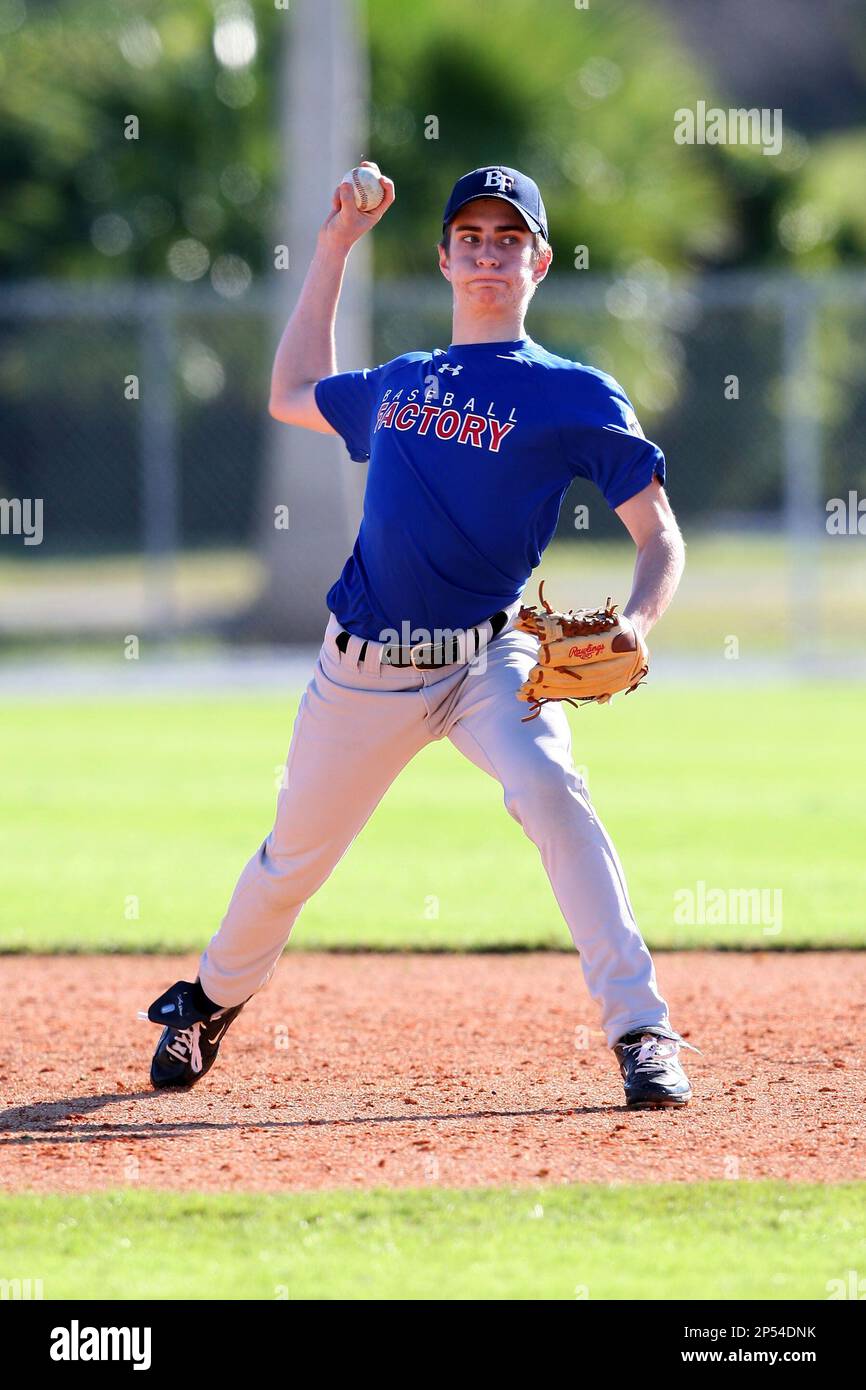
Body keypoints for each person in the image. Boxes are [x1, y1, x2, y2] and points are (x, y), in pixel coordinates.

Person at [145, 164, 698, 1109]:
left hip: (494, 656)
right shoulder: (400, 382)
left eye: (510, 238)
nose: (490, 254)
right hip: (361, 667)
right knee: (291, 862)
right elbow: (291, 390)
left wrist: (639, 623)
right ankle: (209, 999)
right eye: (473, 238)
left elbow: (660, 537)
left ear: (541, 262)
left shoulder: (575, 394)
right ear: (444, 258)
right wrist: (333, 249)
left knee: (551, 791)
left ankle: (643, 1031)